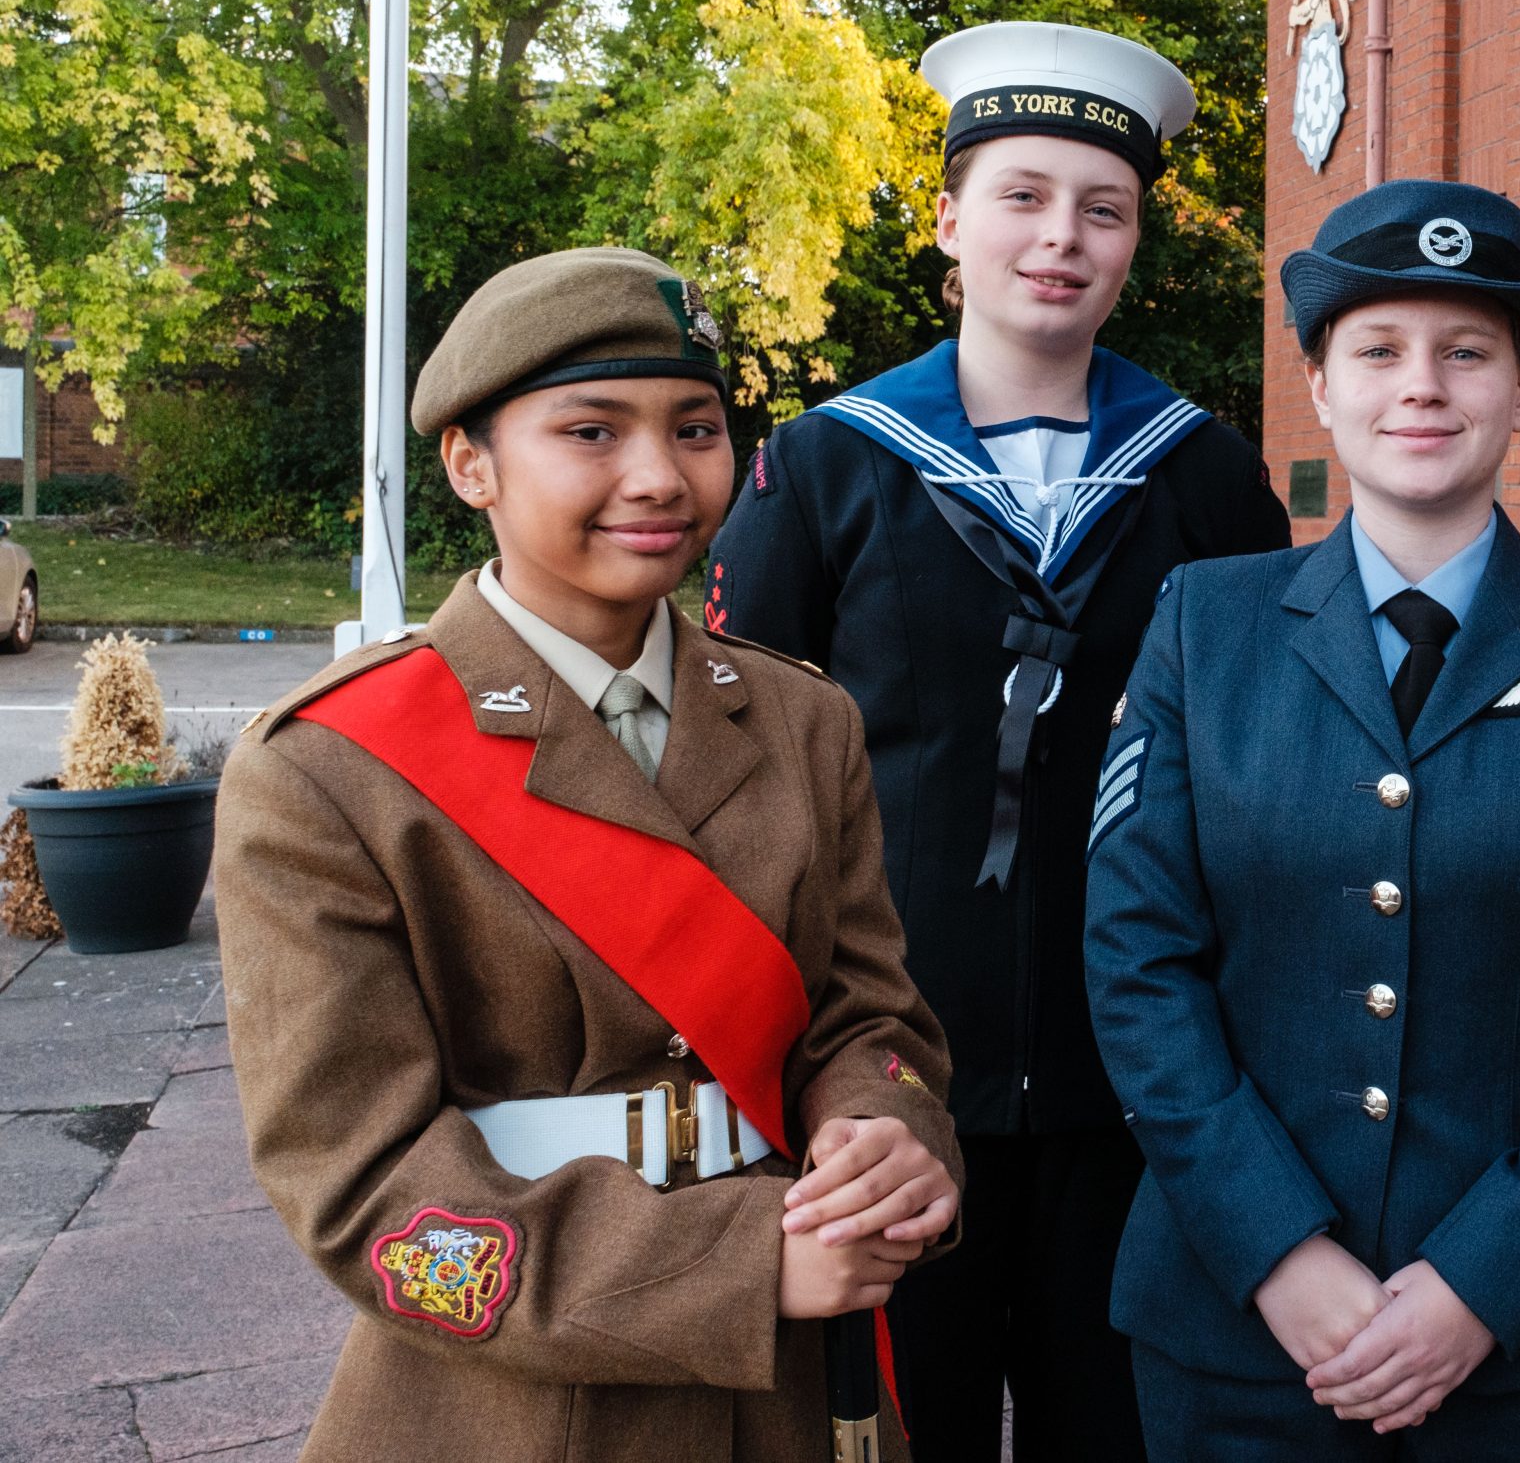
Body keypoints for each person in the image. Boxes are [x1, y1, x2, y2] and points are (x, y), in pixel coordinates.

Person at [214, 247, 962, 1463]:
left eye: (697, 428)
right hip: (508, 1401)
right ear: (470, 464)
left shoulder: (801, 720)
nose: (660, 477)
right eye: (592, 432)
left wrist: (886, 1131)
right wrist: (741, 1264)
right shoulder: (328, 768)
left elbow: (866, 1010)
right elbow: (358, 1180)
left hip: (788, 1397)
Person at [706, 21, 1292, 1460]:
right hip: (892, 1076)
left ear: (1135, 244)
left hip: (1143, 1077)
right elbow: (740, 760)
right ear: (950, 219)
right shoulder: (828, 464)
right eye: (1023, 196)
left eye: (1105, 209)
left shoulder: (1204, 469)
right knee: (918, 1428)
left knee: (1124, 1424)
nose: (1061, 238)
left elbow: (1266, 752)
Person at [1084, 179, 1520, 1461]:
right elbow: (1138, 963)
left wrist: (1483, 1280)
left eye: (1467, 352)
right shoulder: (1202, 626)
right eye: (1376, 350)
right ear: (1321, 389)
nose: (1420, 386)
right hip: (1238, 1328)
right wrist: (1277, 1250)